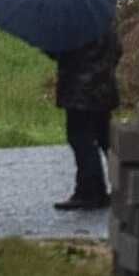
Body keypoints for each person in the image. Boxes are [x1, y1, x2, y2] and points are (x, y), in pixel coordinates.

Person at [50, 23, 121, 211]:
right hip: (104, 87)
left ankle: (90, 191)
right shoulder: (104, 18)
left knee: (80, 138)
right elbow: (117, 50)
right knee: (105, 138)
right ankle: (126, 184)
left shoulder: (73, 21)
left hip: (79, 91)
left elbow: (61, 52)